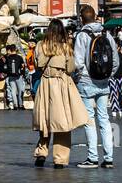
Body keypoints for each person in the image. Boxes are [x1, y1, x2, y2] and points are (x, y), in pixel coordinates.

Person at [33, 19, 87, 168]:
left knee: (45, 121)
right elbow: (70, 69)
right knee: (62, 123)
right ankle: (60, 159)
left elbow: (38, 66)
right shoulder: (66, 47)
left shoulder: (40, 45)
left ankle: (41, 153)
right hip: (60, 84)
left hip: (45, 84)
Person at [73, 4, 117, 168]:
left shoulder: (82, 35)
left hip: (87, 82)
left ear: (82, 19)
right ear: (96, 17)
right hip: (103, 83)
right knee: (104, 119)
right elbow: (115, 60)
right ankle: (109, 158)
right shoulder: (107, 34)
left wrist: (80, 78)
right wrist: (107, 75)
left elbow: (78, 62)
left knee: (89, 120)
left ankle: (92, 157)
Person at [1, 44, 26, 111]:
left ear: (10, 50)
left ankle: (15, 105)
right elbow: (23, 66)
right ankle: (21, 104)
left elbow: (5, 68)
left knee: (13, 91)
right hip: (18, 76)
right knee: (20, 90)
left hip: (11, 76)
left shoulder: (7, 58)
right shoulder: (19, 57)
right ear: (15, 49)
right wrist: (23, 74)